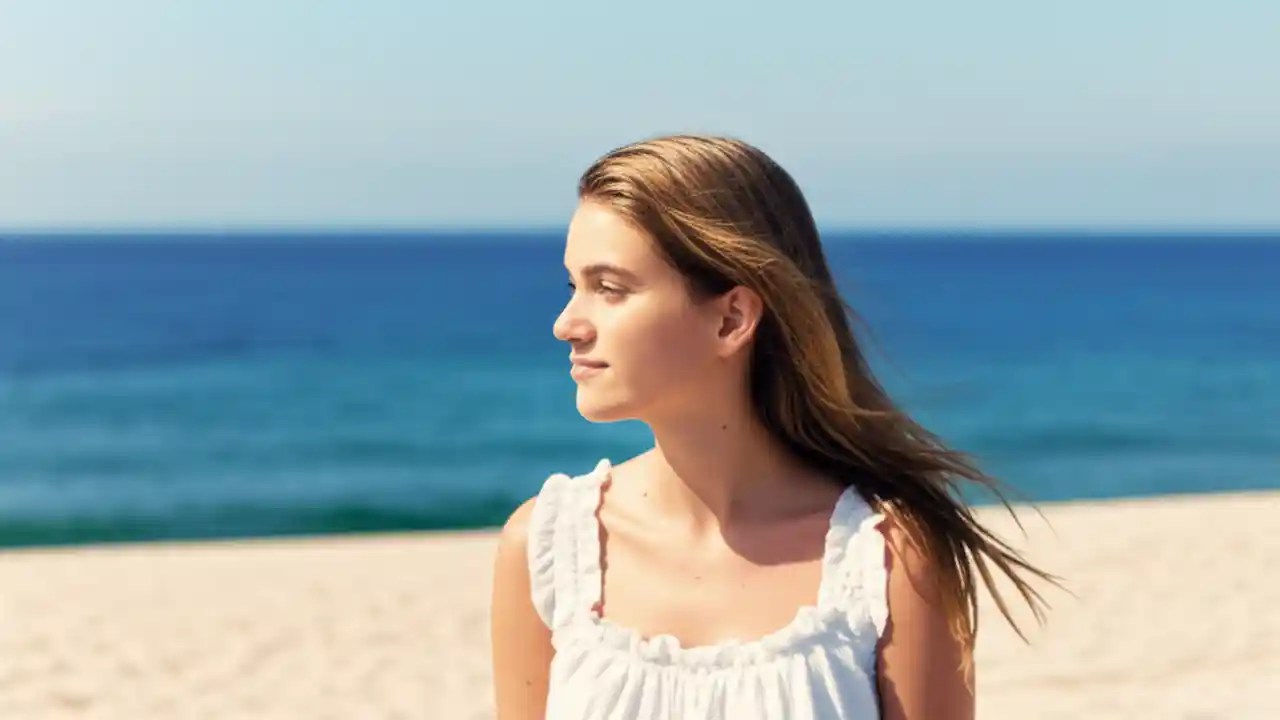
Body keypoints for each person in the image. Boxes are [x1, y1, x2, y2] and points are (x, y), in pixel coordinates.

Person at [490, 134, 1061, 719]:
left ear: (732, 318)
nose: (567, 324)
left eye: (609, 289)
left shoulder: (889, 561)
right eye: (573, 286)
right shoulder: (547, 548)